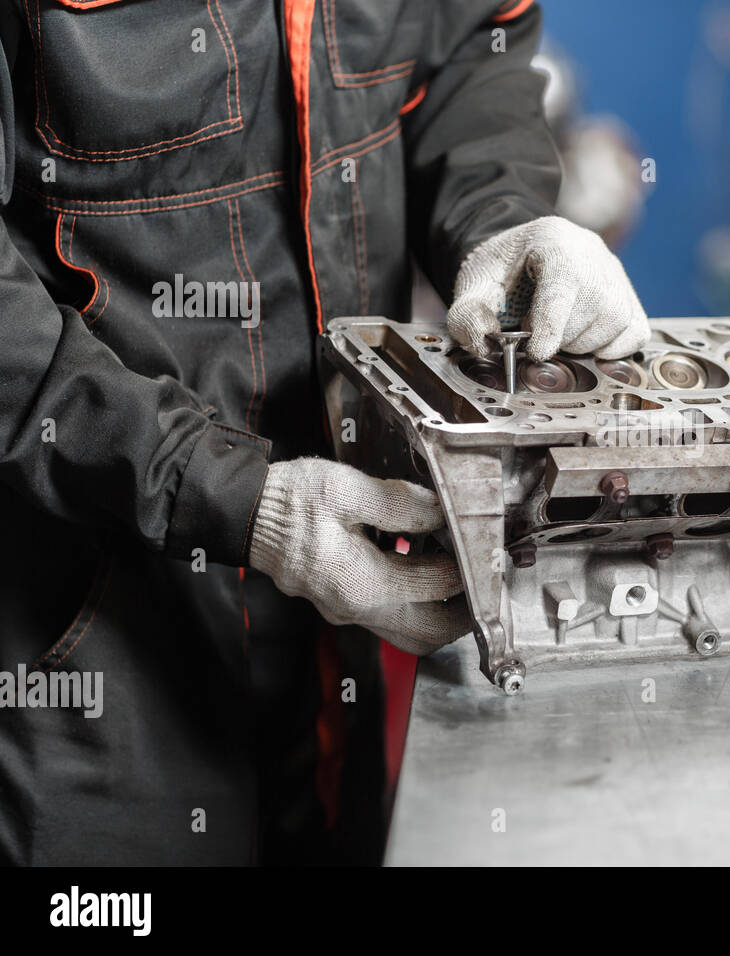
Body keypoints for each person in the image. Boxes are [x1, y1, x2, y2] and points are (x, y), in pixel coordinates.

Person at [0, 0, 647, 865]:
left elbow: (469, 46)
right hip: (83, 642)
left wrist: (500, 219)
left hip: (344, 606)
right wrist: (226, 493)